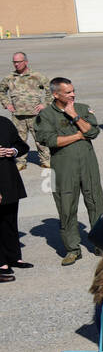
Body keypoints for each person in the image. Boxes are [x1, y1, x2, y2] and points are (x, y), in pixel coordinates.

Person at [35, 78, 103, 265]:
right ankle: (72, 249)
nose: (73, 94)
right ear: (56, 95)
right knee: (66, 208)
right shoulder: (46, 115)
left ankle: (102, 244)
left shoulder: (82, 108)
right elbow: (49, 140)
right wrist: (78, 135)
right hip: (64, 169)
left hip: (88, 165)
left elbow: (94, 132)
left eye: (73, 91)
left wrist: (74, 115)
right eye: (68, 92)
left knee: (96, 203)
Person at [1, 51, 50, 169]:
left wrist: (45, 104)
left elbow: (51, 90)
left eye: (19, 62)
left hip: (35, 114)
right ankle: (21, 162)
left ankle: (45, 160)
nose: (16, 64)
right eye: (14, 62)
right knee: (19, 139)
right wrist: (7, 104)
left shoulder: (37, 76)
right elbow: (1, 91)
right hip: (18, 115)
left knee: (40, 138)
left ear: (26, 62)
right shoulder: (9, 78)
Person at [0, 114, 30, 280]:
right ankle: (1, 262)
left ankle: (13, 256)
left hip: (9, 179)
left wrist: (14, 151)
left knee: (10, 220)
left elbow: (21, 145)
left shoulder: (4, 122)